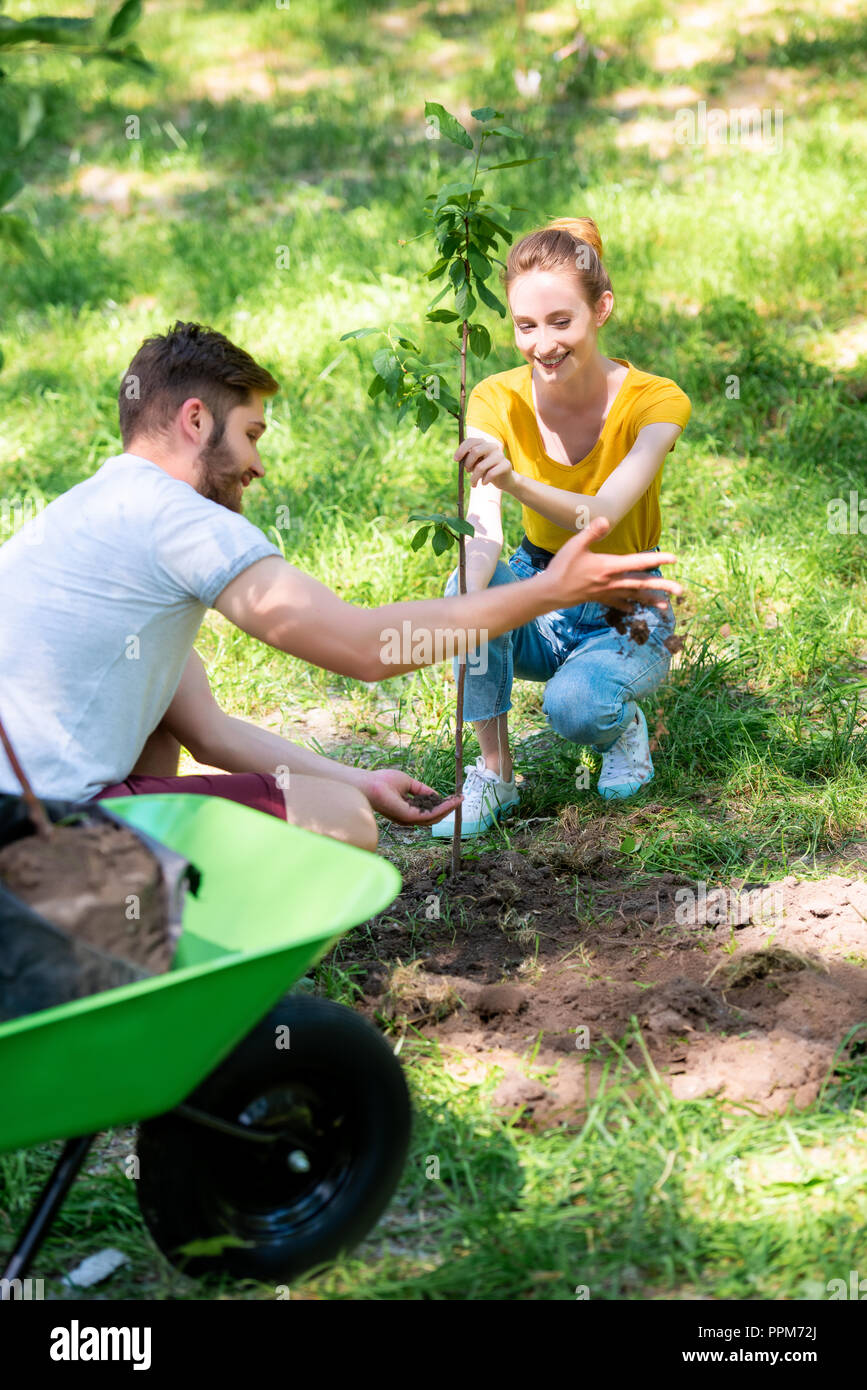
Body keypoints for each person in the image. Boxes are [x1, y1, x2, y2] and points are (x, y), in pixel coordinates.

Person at [0, 320, 682, 856]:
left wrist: (363, 778)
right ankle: (149, 945)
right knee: (344, 826)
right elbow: (365, 648)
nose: (258, 465)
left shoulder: (90, 513)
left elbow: (204, 730)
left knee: (181, 744)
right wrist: (549, 591)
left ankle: (140, 897)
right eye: (251, 434)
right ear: (195, 421)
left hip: (24, 799)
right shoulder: (182, 520)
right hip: (36, 827)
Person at [433, 217, 691, 839]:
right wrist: (463, 608)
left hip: (624, 603)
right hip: (536, 585)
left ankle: (621, 726)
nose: (542, 343)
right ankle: (495, 774)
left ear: (601, 309)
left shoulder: (656, 402)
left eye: (560, 322)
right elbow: (484, 528)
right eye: (525, 326)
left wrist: (514, 480)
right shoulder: (496, 397)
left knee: (573, 708)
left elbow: (602, 516)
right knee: (462, 588)